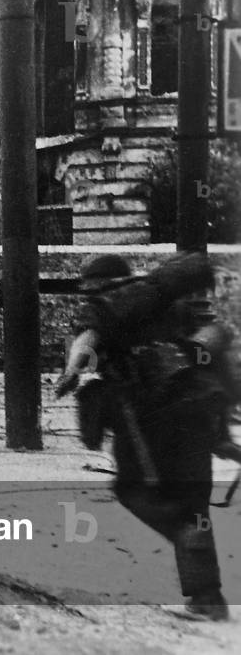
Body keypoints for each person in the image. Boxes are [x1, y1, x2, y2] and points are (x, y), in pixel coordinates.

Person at [57, 253, 238, 621]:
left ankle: (187, 540)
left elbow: (86, 342)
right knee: (195, 505)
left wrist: (70, 373)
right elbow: (214, 351)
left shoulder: (106, 307)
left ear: (95, 283)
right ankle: (207, 598)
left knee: (133, 490)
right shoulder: (171, 303)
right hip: (199, 412)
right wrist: (222, 426)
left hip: (147, 417)